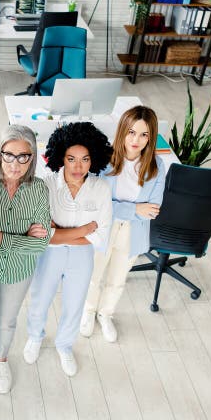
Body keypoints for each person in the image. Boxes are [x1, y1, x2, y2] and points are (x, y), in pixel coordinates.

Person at [23, 122, 113, 376]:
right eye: (71, 158)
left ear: (93, 159)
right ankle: (35, 336)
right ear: (60, 156)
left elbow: (101, 235)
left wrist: (60, 233)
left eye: (85, 159)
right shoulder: (46, 186)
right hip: (49, 255)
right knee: (40, 298)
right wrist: (85, 229)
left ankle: (64, 345)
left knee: (75, 303)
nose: (78, 166)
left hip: (82, 256)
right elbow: (42, 234)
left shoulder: (101, 188)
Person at [0, 125, 50, 394]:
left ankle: (1, 359)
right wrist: (22, 237)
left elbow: (41, 243)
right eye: (8, 155)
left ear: (32, 158)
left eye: (23, 157)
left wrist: (1, 237)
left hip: (19, 271)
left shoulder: (39, 190)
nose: (15, 164)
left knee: (7, 320)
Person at [81, 106, 165, 342]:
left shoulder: (157, 166)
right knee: (94, 274)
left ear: (151, 137)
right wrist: (135, 209)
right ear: (122, 132)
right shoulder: (104, 161)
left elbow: (153, 209)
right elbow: (95, 203)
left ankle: (105, 314)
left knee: (117, 279)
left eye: (144, 134)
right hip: (104, 228)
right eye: (131, 132)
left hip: (133, 232)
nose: (136, 140)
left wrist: (118, 207)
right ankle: (87, 311)